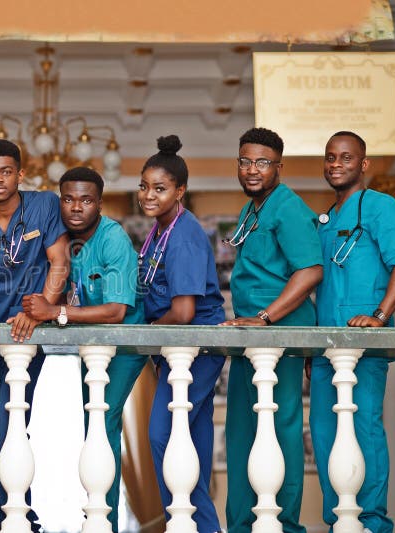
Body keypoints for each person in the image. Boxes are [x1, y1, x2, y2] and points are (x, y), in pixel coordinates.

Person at [21, 166, 144, 530]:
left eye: (86, 200)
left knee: (102, 422)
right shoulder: (59, 237)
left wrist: (54, 311)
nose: (76, 207)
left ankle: (103, 520)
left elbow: (117, 311)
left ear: (100, 204)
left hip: (123, 344)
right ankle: (95, 512)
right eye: (69, 199)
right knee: (94, 425)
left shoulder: (113, 239)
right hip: (92, 346)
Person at [0, 139, 69, 533]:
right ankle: (13, 509)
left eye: (6, 171)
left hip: (26, 332)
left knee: (11, 415)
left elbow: (60, 261)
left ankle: (6, 512)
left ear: (20, 174)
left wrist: (41, 309)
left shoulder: (43, 206)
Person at [309, 131, 395, 533]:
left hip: (362, 344)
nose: (336, 164)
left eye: (346, 158)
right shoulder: (326, 220)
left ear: (363, 164)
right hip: (324, 347)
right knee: (323, 429)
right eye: (330, 157)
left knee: (363, 424)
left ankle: (371, 522)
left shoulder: (380, 207)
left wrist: (380, 314)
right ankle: (340, 520)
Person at [221, 127, 323, 533]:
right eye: (245, 161)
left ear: (279, 166)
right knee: (243, 429)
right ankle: (243, 524)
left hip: (278, 336)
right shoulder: (253, 210)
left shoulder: (288, 207)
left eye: (262, 162)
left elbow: (310, 270)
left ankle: (284, 524)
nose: (252, 170)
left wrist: (265, 318)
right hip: (252, 339)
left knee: (278, 426)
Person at [136, 136, 225, 533]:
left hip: (195, 351)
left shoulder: (185, 234)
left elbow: (185, 312)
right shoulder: (160, 229)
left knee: (162, 435)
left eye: (159, 189)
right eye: (144, 186)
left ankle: (192, 524)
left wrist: (146, 332)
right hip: (176, 352)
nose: (148, 196)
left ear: (180, 191)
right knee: (195, 444)